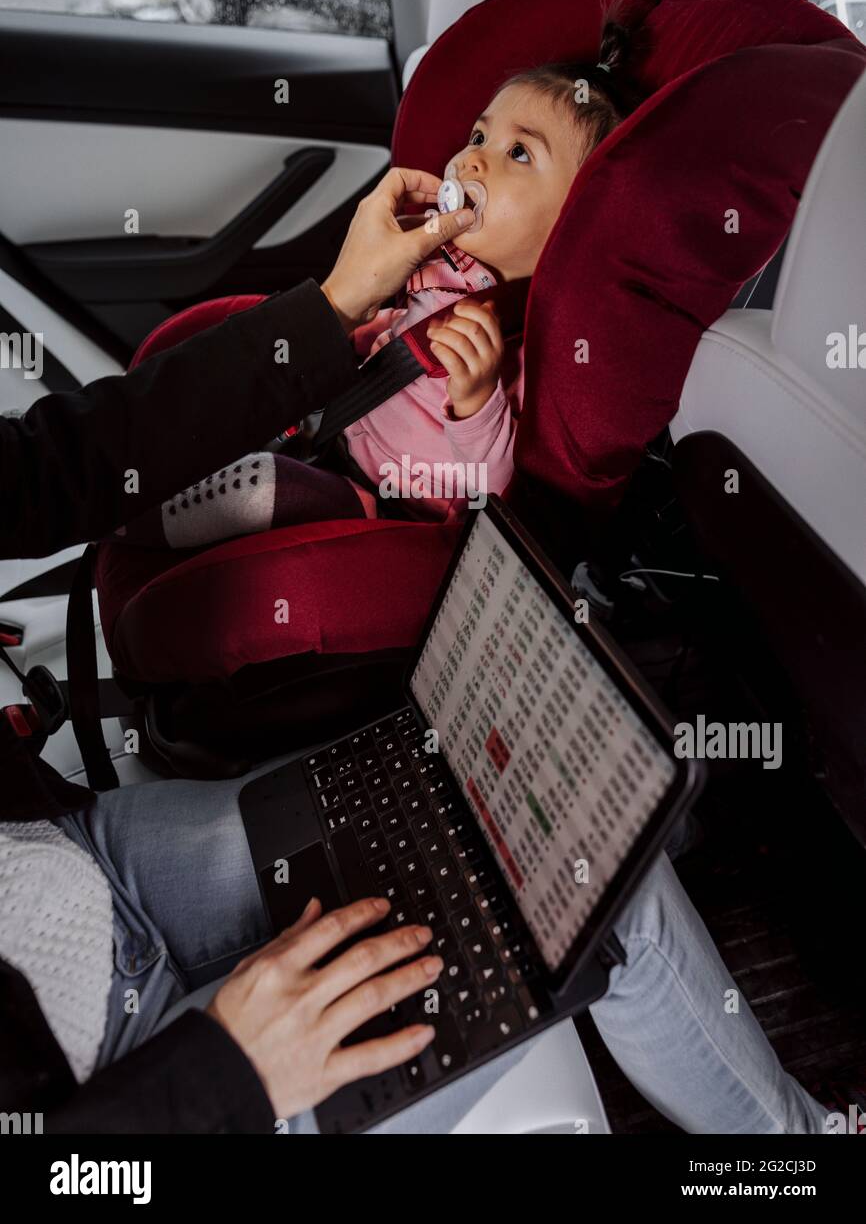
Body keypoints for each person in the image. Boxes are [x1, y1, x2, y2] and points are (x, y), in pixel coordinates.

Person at [0, 167, 828, 1135]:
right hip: (123, 1091)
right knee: (580, 899)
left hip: (72, 859)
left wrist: (336, 303)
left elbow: (73, 461)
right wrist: (229, 1071)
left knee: (559, 851)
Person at [112, 22, 634, 549]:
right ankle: (143, 493)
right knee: (234, 420)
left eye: (518, 154)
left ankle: (128, 516)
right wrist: (356, 333)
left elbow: (500, 499)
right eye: (479, 137)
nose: (472, 159)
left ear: (573, 225)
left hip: (394, 513)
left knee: (265, 487)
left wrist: (478, 403)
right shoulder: (437, 267)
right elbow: (393, 342)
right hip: (337, 440)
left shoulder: (529, 344)